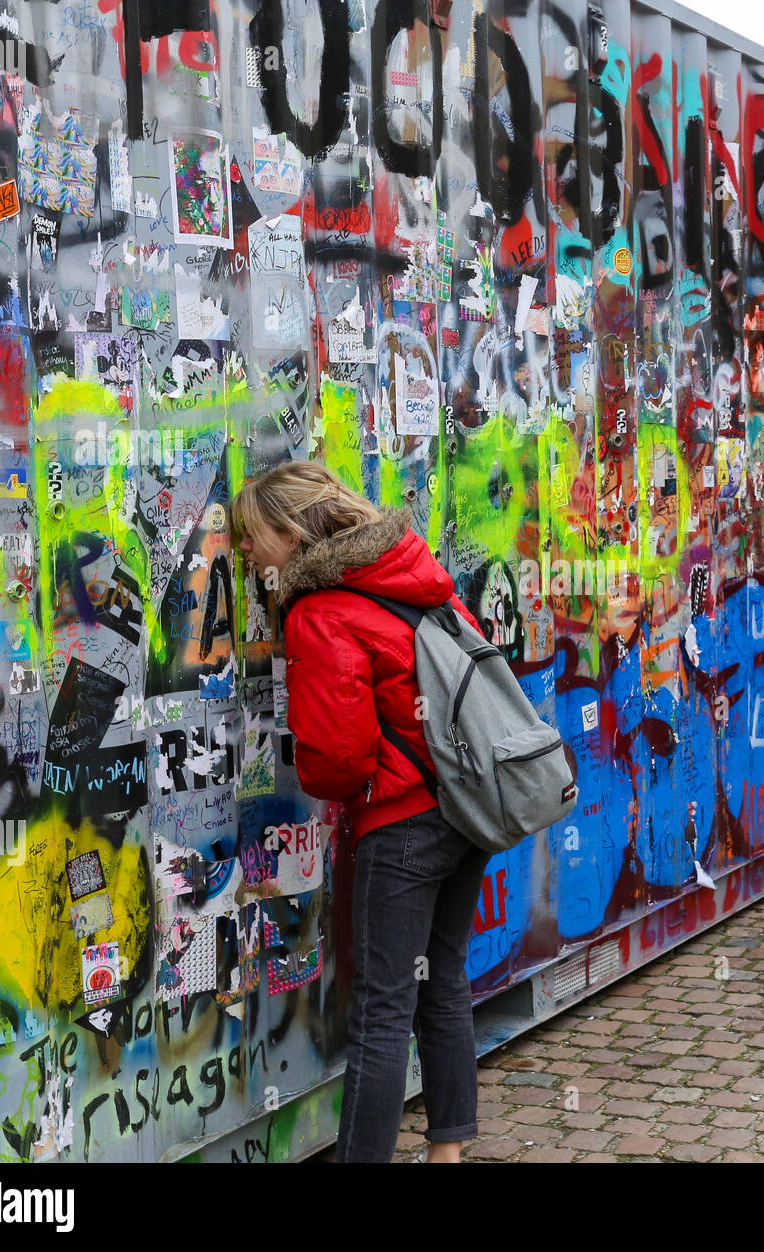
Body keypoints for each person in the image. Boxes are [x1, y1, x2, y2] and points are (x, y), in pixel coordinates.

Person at [231, 461, 489, 1164]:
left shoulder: (320, 613)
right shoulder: (411, 572)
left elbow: (340, 762)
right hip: (467, 809)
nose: (245, 553)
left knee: (382, 1012)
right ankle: (448, 1154)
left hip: (401, 830)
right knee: (443, 977)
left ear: (290, 531)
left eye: (252, 537)